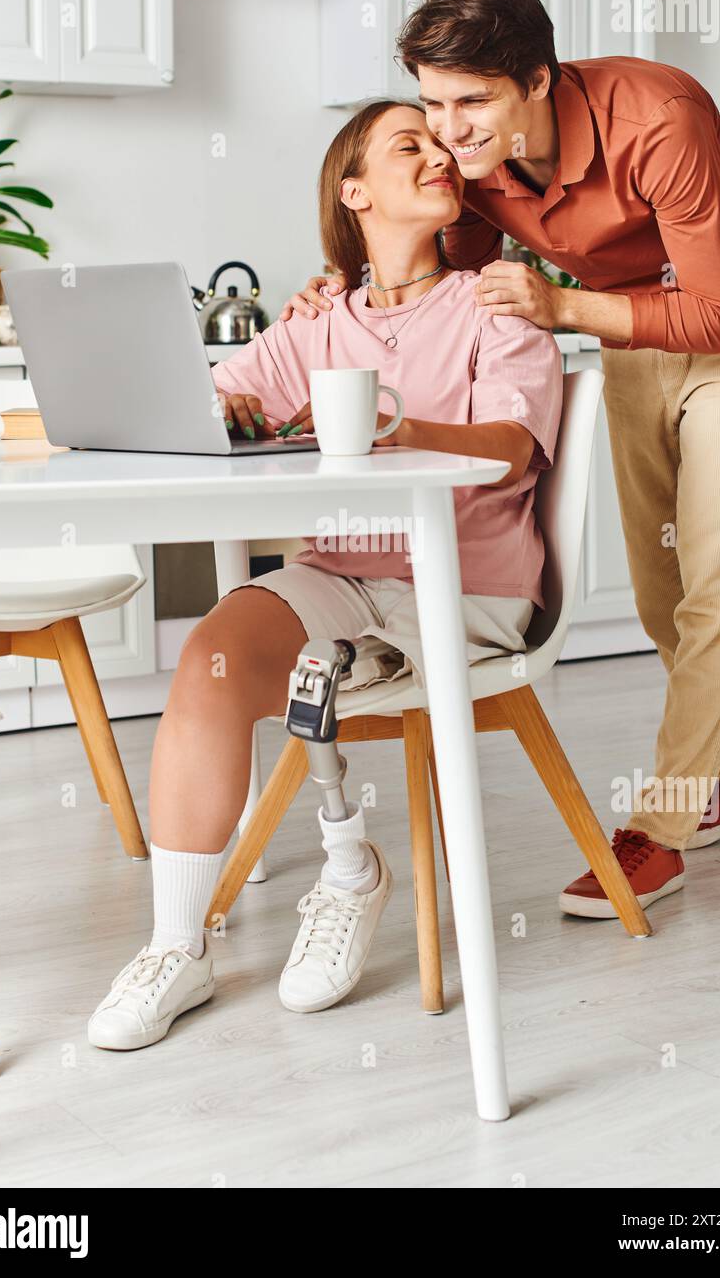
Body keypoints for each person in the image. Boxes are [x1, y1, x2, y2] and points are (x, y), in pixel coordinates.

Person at [282, 0, 720, 921]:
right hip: (629, 330)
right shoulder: (469, 169)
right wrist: (336, 296)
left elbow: (717, 312)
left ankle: (665, 824)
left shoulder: (660, 120)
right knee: (663, 587)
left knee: (716, 588)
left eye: (472, 100)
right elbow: (432, 286)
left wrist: (559, 304)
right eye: (433, 103)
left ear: (539, 80)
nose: (449, 128)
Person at [87, 98, 561, 1049]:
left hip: (463, 586)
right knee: (211, 659)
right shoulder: (317, 324)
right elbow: (207, 404)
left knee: (324, 671)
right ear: (355, 193)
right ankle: (178, 946)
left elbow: (512, 448)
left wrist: (395, 425)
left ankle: (348, 871)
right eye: (409, 145)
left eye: (442, 144)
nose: (439, 153)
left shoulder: (493, 300)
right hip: (338, 571)